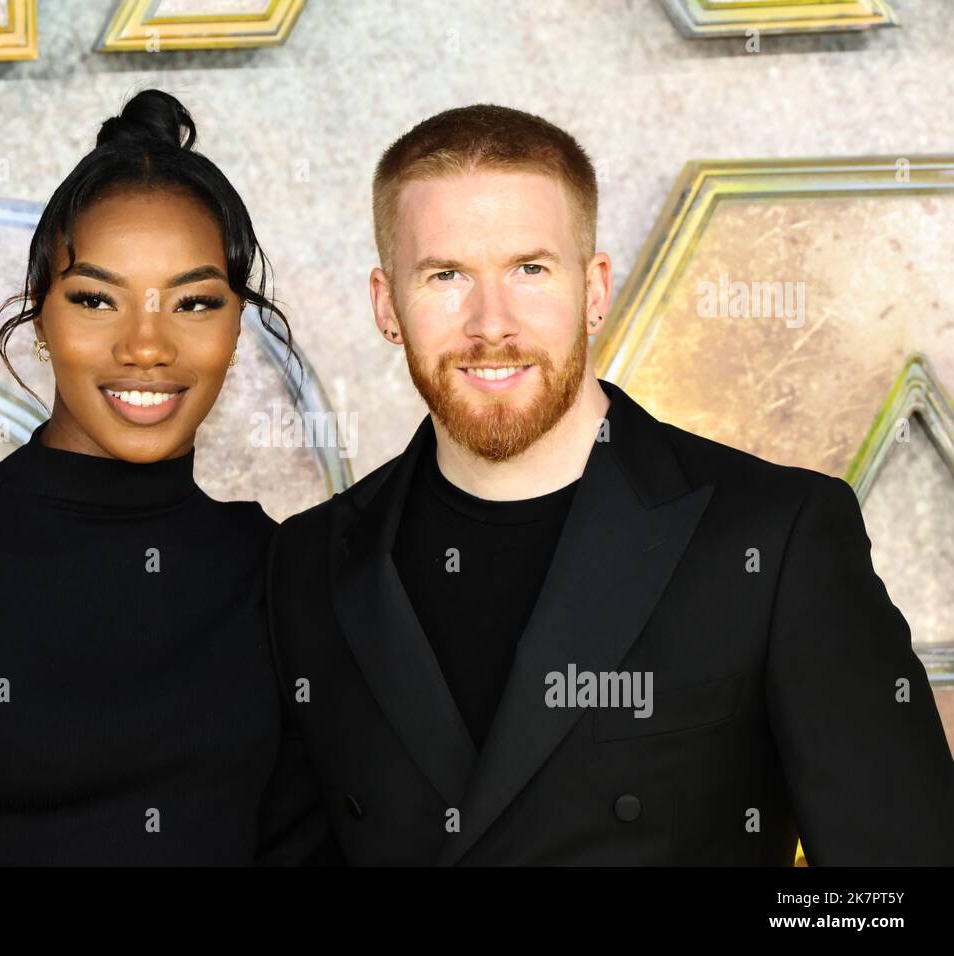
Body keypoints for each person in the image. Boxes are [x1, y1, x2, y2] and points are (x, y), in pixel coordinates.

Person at [266, 103, 954, 865]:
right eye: (446, 275)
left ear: (595, 290)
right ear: (385, 304)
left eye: (530, 270)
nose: (491, 323)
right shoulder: (308, 565)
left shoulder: (776, 538)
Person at [0, 88, 331, 865]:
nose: (147, 346)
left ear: (235, 323)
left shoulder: (277, 574)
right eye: (96, 299)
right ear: (39, 316)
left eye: (194, 303)